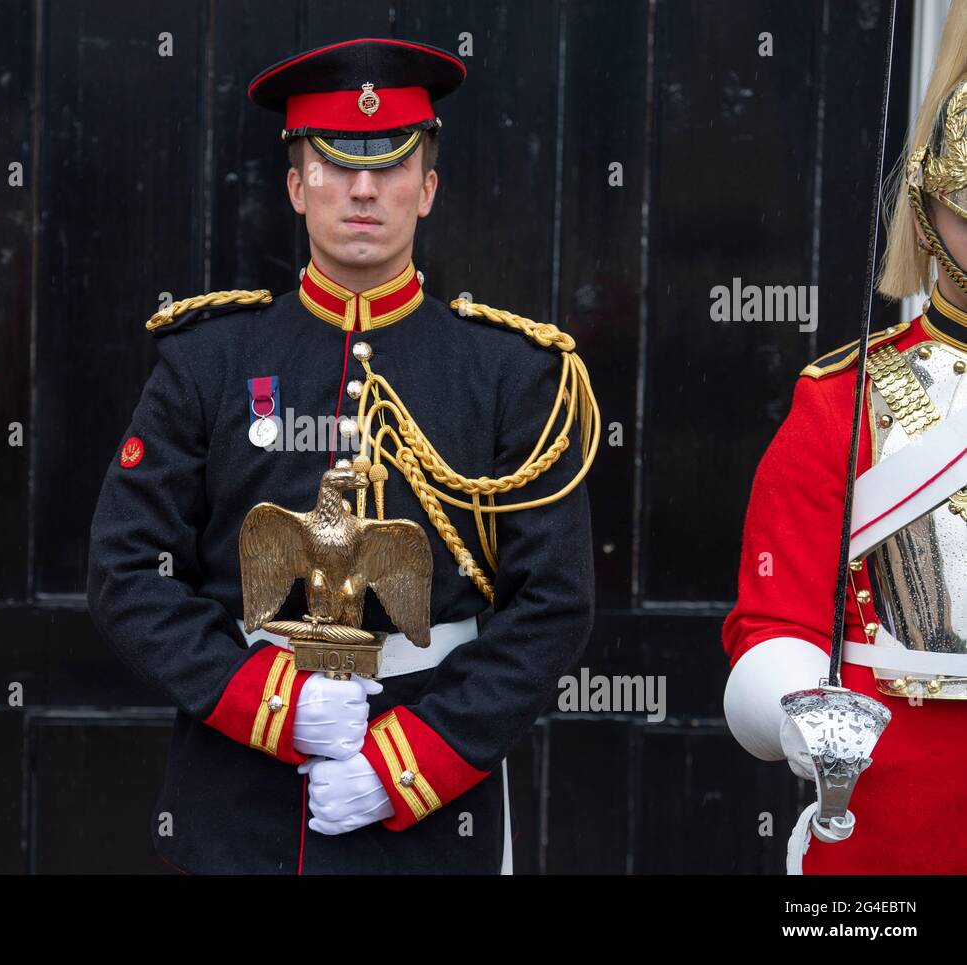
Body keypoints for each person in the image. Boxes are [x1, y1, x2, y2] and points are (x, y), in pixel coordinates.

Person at [88, 37, 599, 874]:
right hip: (235, 802)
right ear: (297, 185)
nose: (364, 188)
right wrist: (272, 705)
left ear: (427, 189)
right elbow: (126, 570)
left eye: (392, 167)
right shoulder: (208, 359)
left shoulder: (511, 373)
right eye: (337, 164)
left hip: (434, 807)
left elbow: (553, 605)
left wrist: (409, 766)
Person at [722, 1, 967, 874]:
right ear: (930, 207)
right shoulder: (844, 399)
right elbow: (775, 615)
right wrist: (804, 714)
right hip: (894, 804)